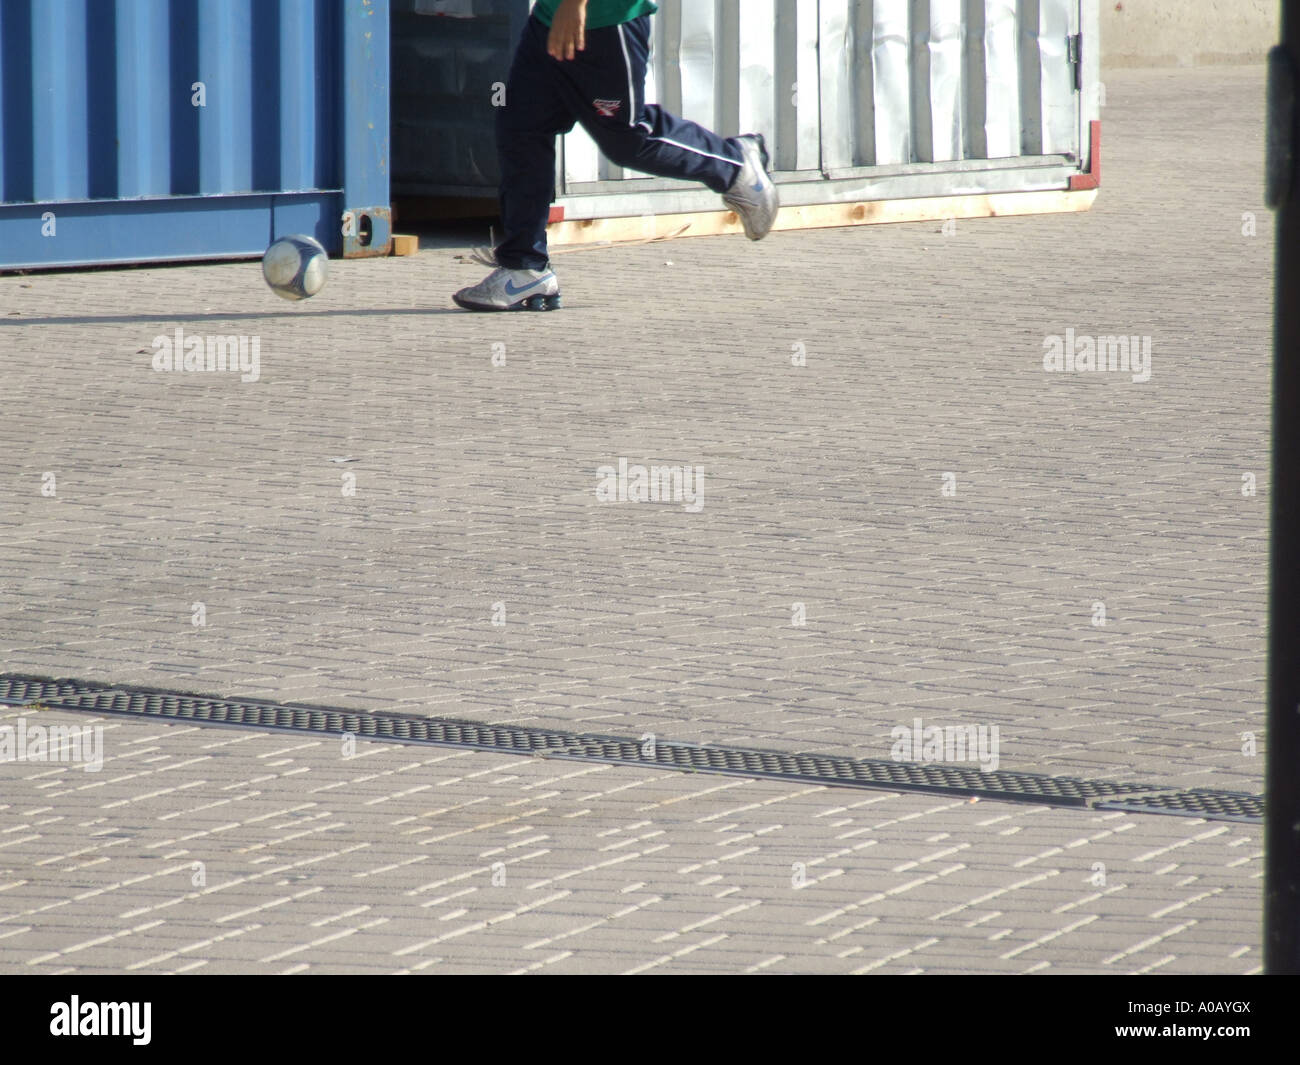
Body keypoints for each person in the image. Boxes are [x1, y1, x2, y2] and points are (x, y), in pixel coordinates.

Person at [453, 0, 779, 312]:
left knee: (628, 138)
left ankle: (734, 163)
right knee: (521, 128)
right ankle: (523, 267)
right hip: (549, 17)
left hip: (603, 18)